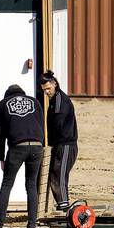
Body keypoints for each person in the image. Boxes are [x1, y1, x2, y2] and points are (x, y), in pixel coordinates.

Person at [0, 84, 46, 228]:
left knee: (7, 184)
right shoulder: (35, 102)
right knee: (31, 186)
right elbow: (42, 124)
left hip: (17, 147)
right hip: (37, 146)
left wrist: (1, 158)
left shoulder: (2, 105)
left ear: (8, 95)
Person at [41, 70, 78, 209]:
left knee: (59, 176)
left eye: (48, 89)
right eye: (44, 90)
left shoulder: (60, 100)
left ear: (55, 84)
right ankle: (62, 204)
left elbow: (58, 123)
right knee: (54, 175)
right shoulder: (54, 100)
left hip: (65, 144)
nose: (46, 92)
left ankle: (64, 207)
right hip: (59, 144)